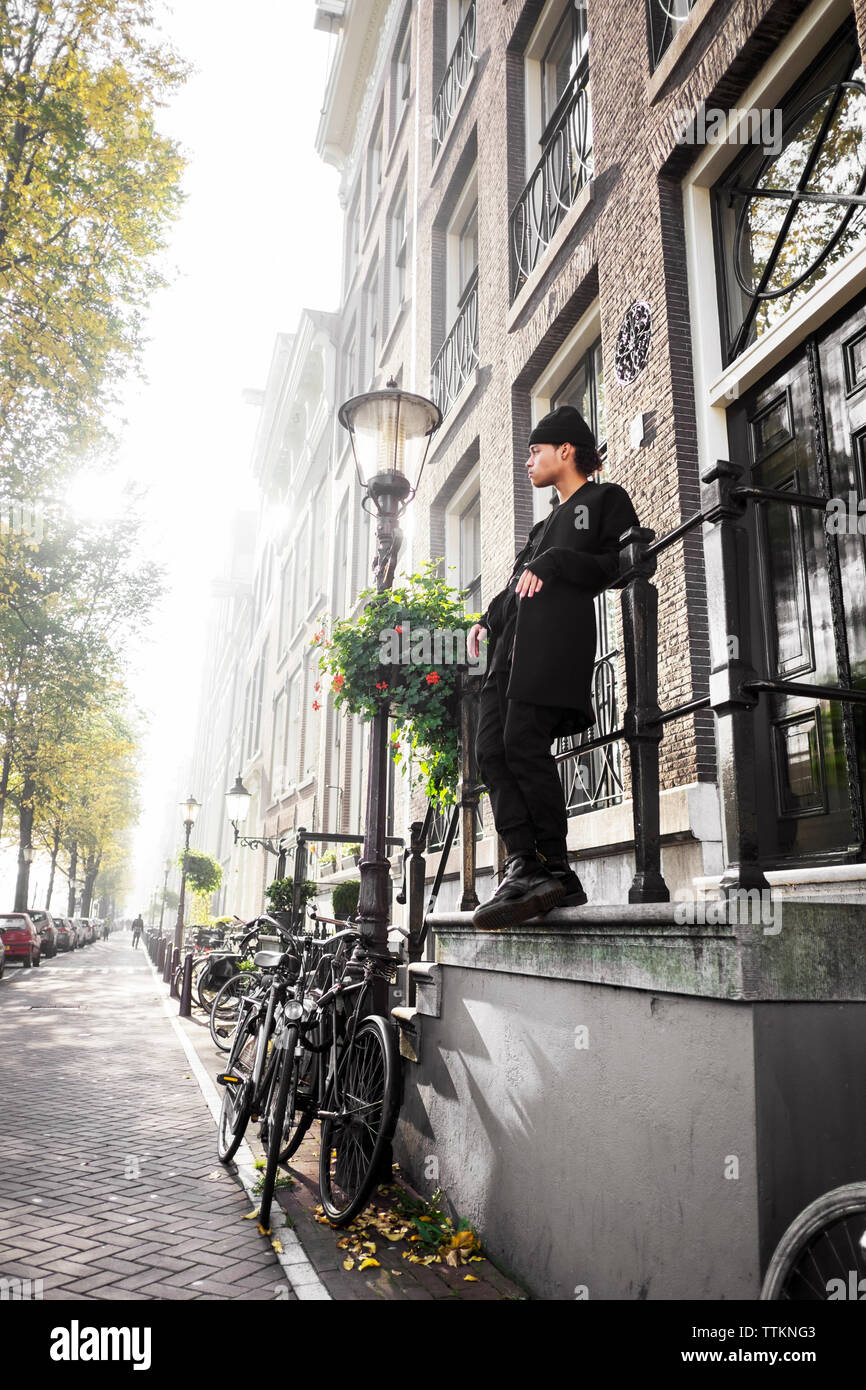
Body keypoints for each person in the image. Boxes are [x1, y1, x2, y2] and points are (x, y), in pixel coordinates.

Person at [467, 404, 640, 931]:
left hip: (552, 650)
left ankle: (557, 869)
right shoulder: (542, 527)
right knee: (489, 750)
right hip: (507, 658)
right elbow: (516, 590)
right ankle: (524, 862)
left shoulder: (603, 499)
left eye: (535, 451)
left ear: (566, 450)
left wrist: (559, 563)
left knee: (523, 743)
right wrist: (484, 619)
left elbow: (621, 563)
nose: (528, 462)